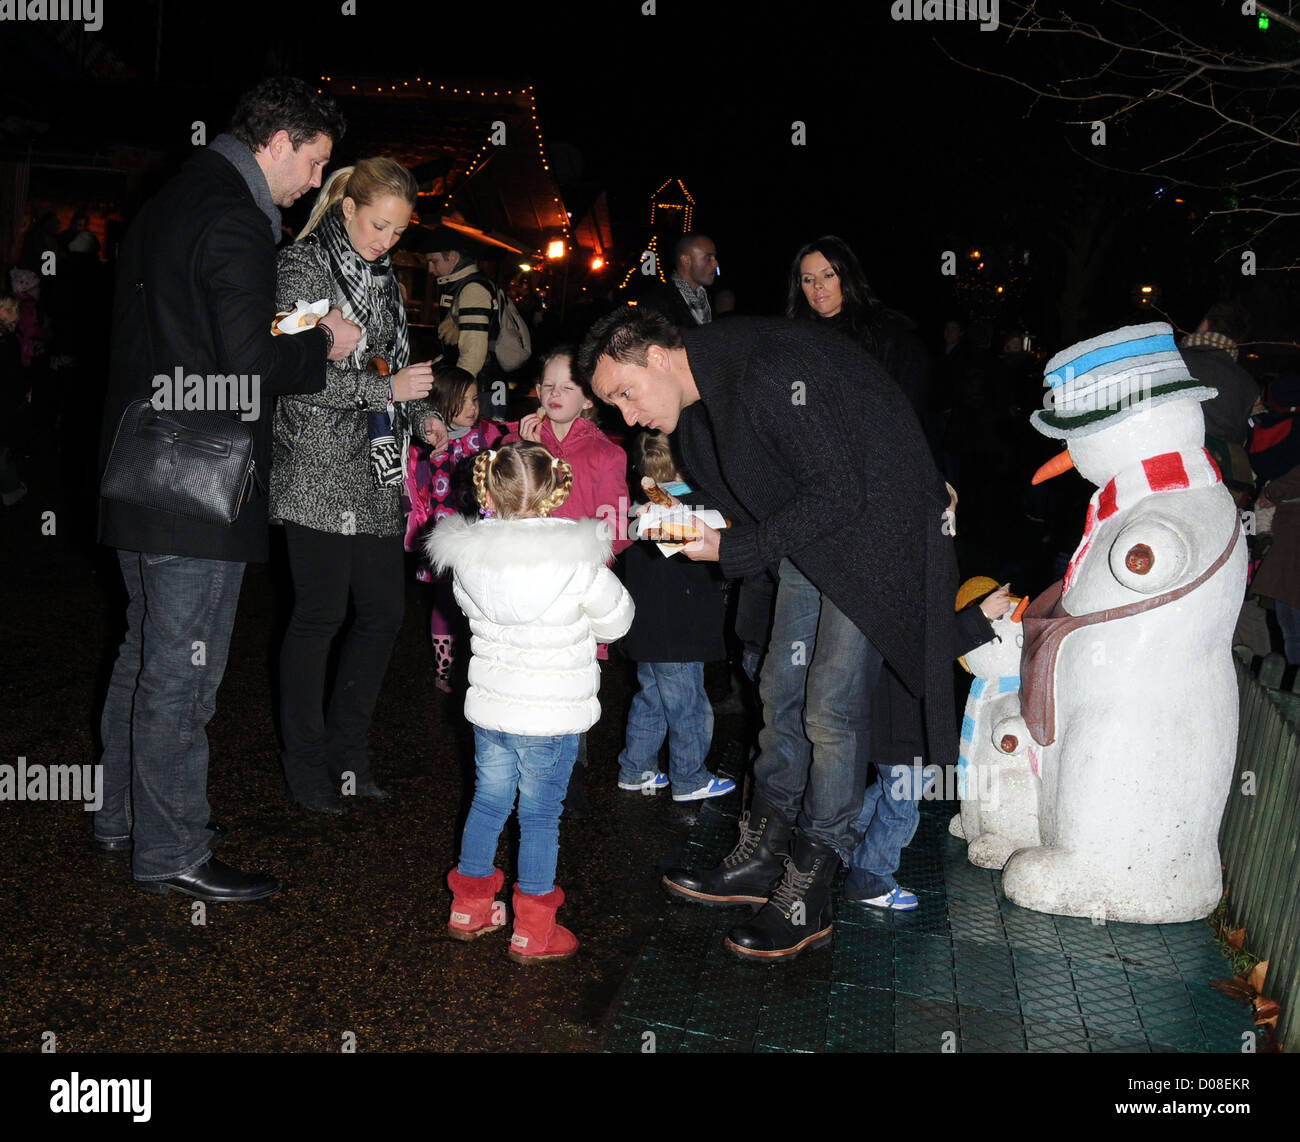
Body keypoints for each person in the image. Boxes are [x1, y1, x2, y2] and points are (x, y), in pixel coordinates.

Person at [579, 307, 957, 961]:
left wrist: (730, 548)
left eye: (625, 393)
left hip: (876, 535)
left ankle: (810, 888)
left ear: (660, 359)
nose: (627, 415)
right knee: (781, 686)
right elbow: (757, 498)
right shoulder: (702, 406)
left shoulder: (766, 371)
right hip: (819, 538)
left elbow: (839, 490)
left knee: (830, 711)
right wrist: (676, 523)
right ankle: (763, 855)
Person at [96, 78, 357, 901]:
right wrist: (323, 344)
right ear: (278, 141)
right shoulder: (239, 218)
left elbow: (189, 340)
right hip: (200, 488)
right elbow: (247, 370)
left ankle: (125, 817)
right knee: (181, 673)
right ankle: (171, 848)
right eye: (314, 163)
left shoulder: (171, 200)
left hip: (141, 468)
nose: (315, 183)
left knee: (144, 656)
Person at [271, 156, 448, 813]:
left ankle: (349, 758)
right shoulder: (304, 266)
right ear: (347, 208)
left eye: (399, 233)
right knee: (319, 615)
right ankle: (307, 767)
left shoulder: (380, 277)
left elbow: (390, 365)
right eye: (379, 225)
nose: (386, 241)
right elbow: (291, 374)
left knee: (382, 612)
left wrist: (421, 415)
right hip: (316, 463)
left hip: (375, 461)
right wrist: (387, 388)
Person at [427, 441, 634, 962]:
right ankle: (533, 931)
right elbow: (617, 620)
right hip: (551, 714)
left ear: (489, 487)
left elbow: (470, 612)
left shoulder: (469, 558)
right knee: (541, 816)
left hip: (494, 712)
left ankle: (468, 909)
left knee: (488, 802)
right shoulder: (578, 556)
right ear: (552, 489)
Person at [516, 345, 632, 815]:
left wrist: (578, 555)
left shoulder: (606, 453)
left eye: (568, 386)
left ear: (588, 398)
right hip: (525, 587)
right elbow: (495, 509)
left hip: (577, 594)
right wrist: (522, 454)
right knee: (523, 680)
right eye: (548, 385)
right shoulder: (517, 440)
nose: (556, 393)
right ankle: (520, 771)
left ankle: (569, 777)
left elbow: (618, 530)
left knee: (575, 685)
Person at [847, 581, 1013, 909]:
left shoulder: (889, 587)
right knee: (900, 804)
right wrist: (980, 616)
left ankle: (841, 843)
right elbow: (925, 648)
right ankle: (870, 876)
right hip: (901, 719)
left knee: (891, 790)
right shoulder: (904, 590)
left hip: (897, 718)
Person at [616, 430, 736, 801]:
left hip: (646, 632)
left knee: (651, 698)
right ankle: (689, 778)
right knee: (689, 707)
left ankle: (636, 770)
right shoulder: (699, 512)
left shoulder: (638, 512)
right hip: (680, 634)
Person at [404, 366, 509, 691]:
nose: (472, 407)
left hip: (481, 536)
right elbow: (416, 488)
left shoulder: (488, 435)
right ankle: (445, 670)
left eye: (475, 399)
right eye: (463, 401)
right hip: (444, 540)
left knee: (484, 603)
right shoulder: (426, 443)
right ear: (442, 402)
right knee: (445, 602)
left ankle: (484, 666)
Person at [787, 235, 930, 418]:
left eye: (828, 275)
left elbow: (907, 413)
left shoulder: (887, 337)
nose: (817, 286)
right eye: (808, 279)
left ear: (847, 277)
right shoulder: (795, 340)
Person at [424, 231, 500, 404]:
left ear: (452, 257)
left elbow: (473, 353)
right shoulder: (463, 285)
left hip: (477, 388)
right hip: (477, 385)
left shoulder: (472, 290)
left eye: (433, 261)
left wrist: (456, 393)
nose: (430, 269)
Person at [1179, 301, 1259, 449]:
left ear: (1205, 324)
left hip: (1171, 459)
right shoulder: (1249, 384)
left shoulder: (1174, 361)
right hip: (1222, 467)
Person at [638, 233, 718, 329]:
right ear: (686, 261)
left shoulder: (707, 297)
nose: (715, 264)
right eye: (708, 257)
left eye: (714, 257)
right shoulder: (657, 303)